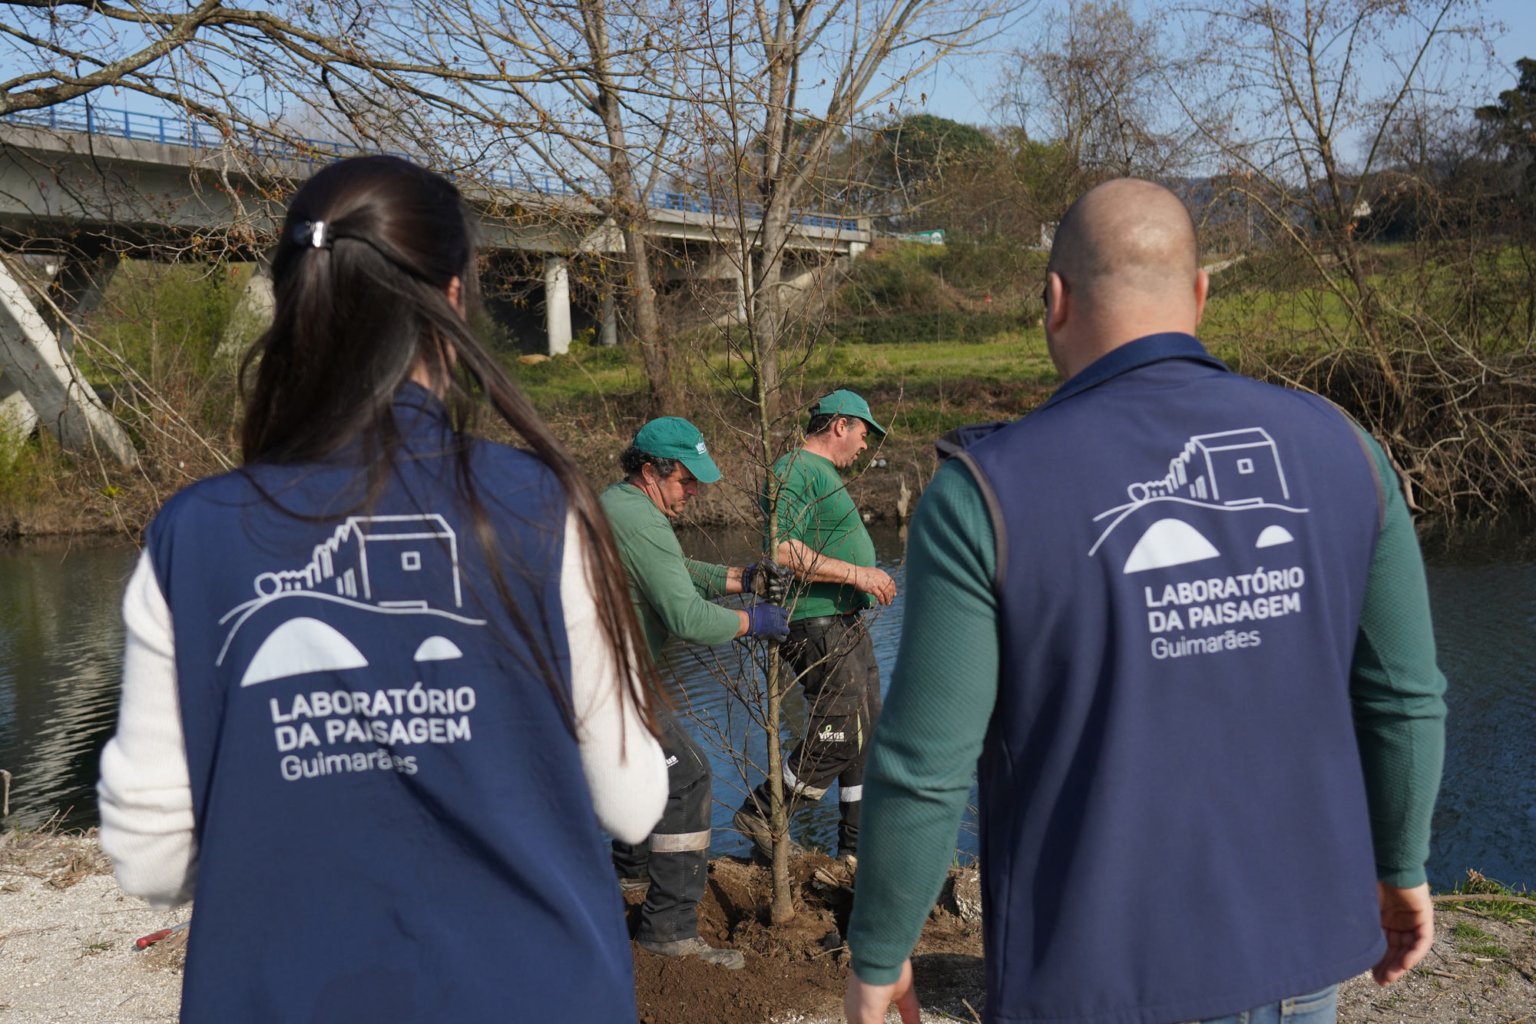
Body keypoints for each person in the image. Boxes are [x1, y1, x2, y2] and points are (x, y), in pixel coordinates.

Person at [844, 178, 1448, 1024]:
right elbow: (1403, 698)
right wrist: (1402, 864)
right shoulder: (1348, 452)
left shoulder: (985, 494)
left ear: (1054, 301)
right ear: (1200, 294)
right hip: (1298, 957)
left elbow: (924, 765)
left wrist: (880, 951)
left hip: (1099, 974)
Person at [96, 155, 669, 1023]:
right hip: (540, 992)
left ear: (295, 303)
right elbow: (631, 805)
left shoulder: (192, 534)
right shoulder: (542, 505)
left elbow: (150, 864)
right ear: (454, 297)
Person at [601, 416, 791, 970]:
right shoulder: (637, 519)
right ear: (651, 471)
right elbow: (685, 615)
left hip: (609, 672)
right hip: (614, 679)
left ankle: (634, 880)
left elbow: (673, 569)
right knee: (687, 775)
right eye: (687, 480)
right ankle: (669, 930)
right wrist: (751, 622)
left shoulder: (622, 506)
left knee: (644, 771)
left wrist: (741, 578)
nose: (694, 492)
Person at [734, 389, 896, 871]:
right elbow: (781, 550)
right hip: (814, 621)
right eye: (865, 434)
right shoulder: (794, 470)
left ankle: (856, 850)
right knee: (840, 733)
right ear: (840, 425)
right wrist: (859, 574)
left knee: (867, 736)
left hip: (844, 620)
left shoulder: (821, 474)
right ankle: (762, 813)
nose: (866, 447)